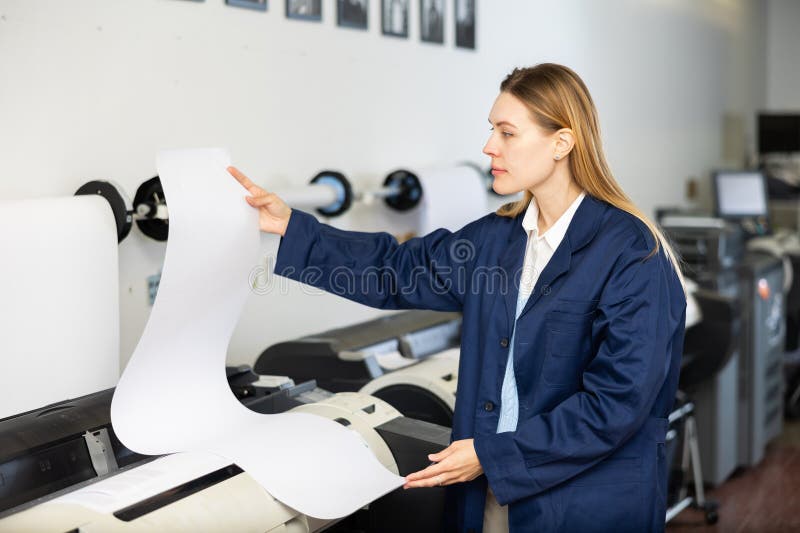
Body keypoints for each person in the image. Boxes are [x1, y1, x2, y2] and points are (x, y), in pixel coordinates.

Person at [229, 63, 686, 533]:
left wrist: (492, 454)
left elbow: (615, 405)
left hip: (585, 505)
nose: (490, 147)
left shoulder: (633, 255)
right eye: (492, 130)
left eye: (508, 133)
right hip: (492, 497)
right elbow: (395, 270)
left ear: (561, 143)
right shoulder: (497, 240)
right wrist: (292, 226)